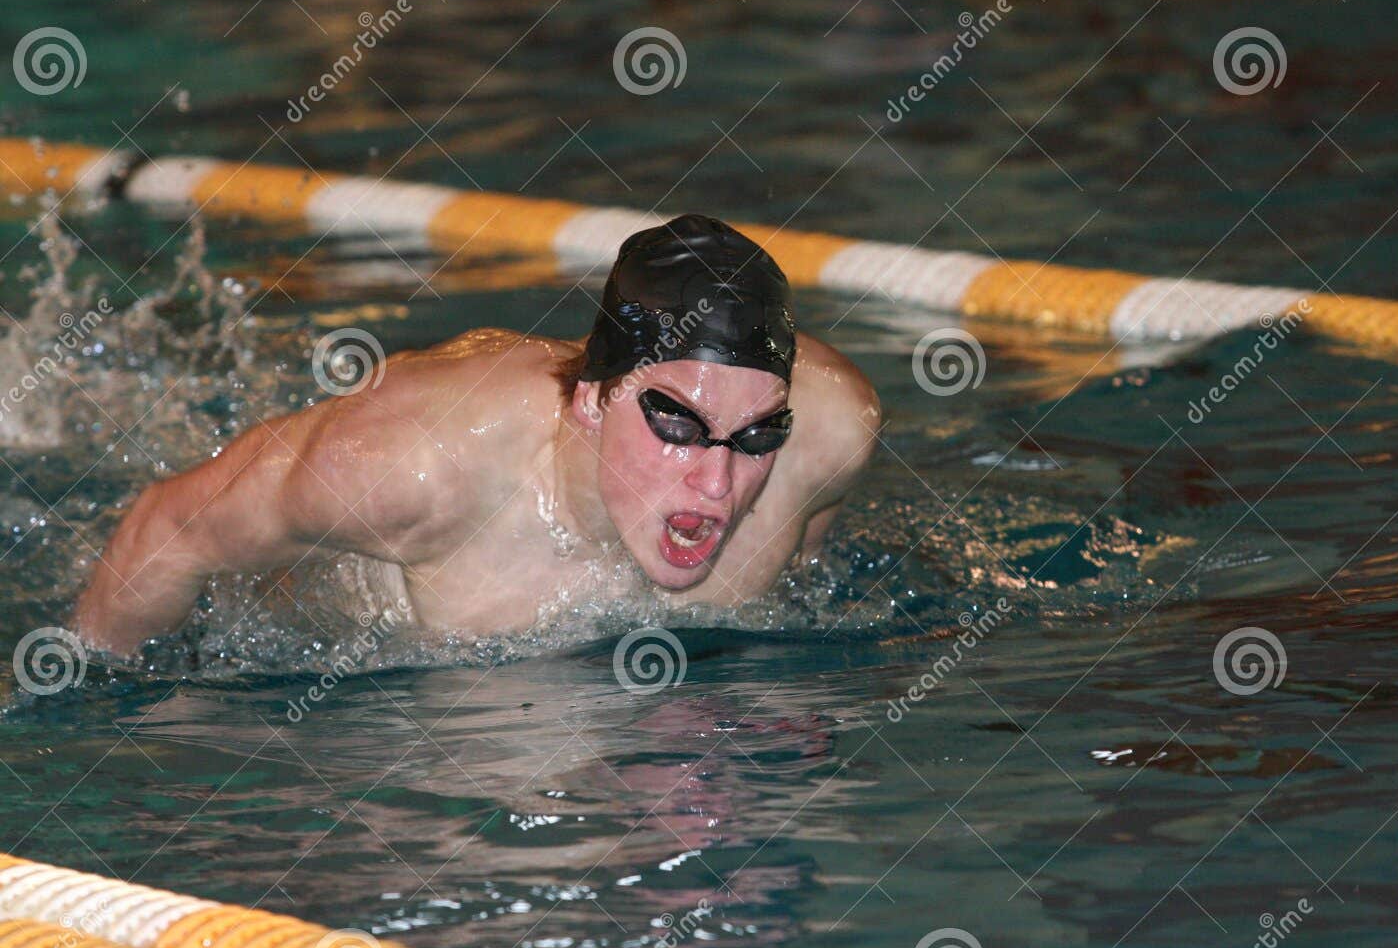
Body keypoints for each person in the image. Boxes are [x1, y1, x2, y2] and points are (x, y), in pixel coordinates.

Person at [72, 214, 882, 657]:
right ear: (593, 400)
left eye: (753, 436)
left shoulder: (830, 436)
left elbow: (799, 583)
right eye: (678, 424)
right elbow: (168, 528)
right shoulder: (410, 468)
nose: (717, 485)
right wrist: (96, 701)